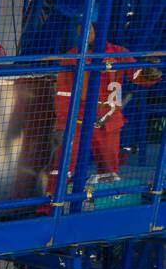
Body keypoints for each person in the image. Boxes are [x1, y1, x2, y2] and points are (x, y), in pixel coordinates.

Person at [47, 11, 161, 197]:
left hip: (108, 122)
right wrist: (62, 125)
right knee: (62, 167)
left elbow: (137, 75)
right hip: (77, 122)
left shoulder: (119, 53)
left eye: (89, 27)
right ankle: (50, 207)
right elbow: (63, 94)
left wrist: (150, 73)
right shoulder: (73, 57)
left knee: (108, 171)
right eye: (81, 28)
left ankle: (106, 203)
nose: (85, 32)